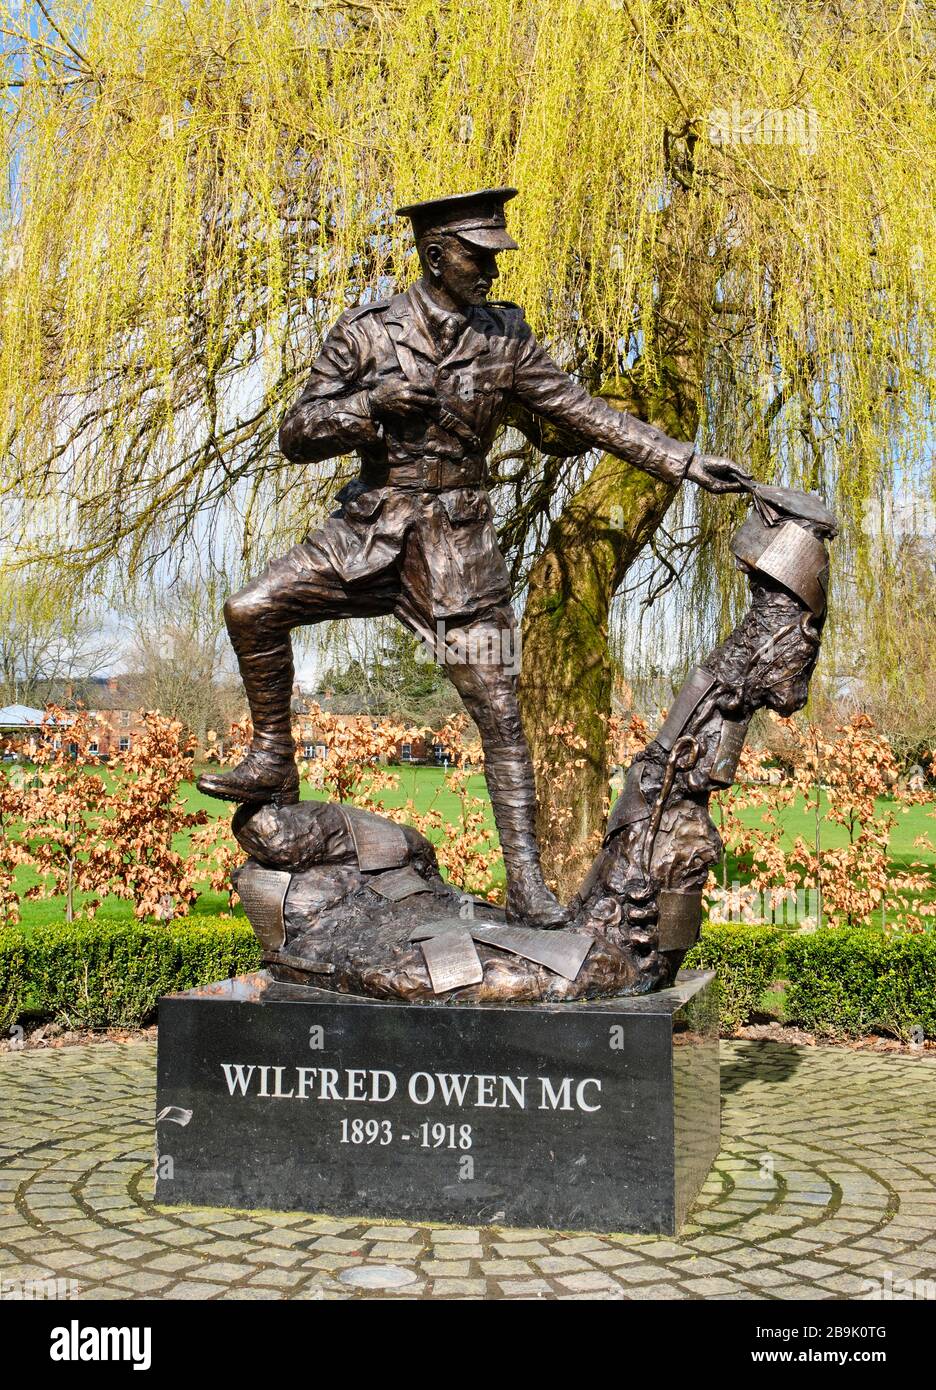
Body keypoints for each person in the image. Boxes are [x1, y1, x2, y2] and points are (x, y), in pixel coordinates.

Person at [198, 188, 749, 927]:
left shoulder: (505, 338)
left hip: (459, 551)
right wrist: (368, 409)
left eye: (494, 256)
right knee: (252, 608)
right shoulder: (366, 334)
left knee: (500, 713)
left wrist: (682, 462)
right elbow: (296, 433)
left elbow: (585, 413)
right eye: (477, 255)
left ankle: (526, 885)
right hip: (370, 534)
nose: (491, 269)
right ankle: (271, 755)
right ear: (435, 254)